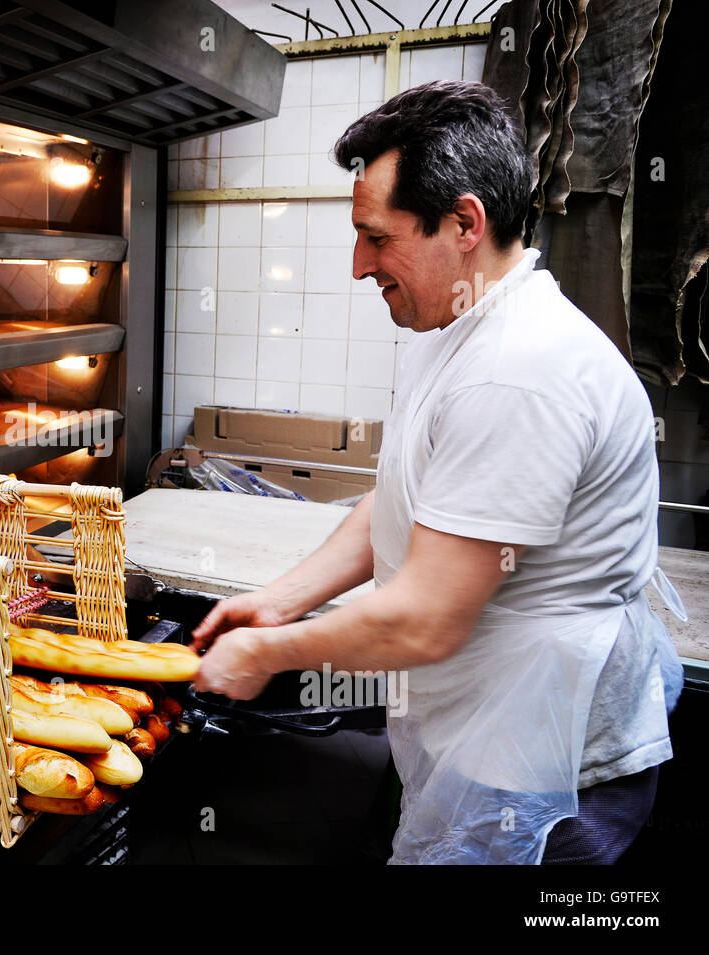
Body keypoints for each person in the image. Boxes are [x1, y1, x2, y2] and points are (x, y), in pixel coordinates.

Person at [190, 81, 685, 865]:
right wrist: (279, 601)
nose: (360, 265)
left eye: (375, 238)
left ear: (464, 223)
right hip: (481, 723)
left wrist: (265, 655)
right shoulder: (452, 328)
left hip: (546, 767)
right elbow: (403, 496)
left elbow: (426, 618)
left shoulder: (520, 369)